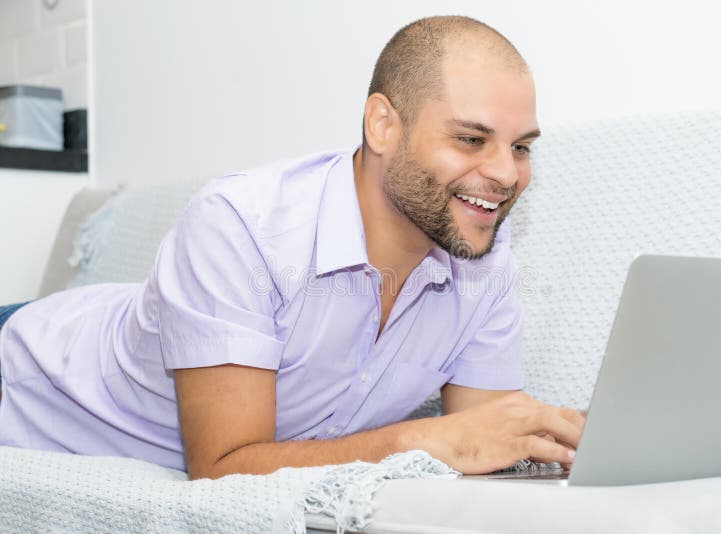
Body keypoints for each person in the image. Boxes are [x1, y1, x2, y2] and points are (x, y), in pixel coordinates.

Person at [0, 15, 584, 480]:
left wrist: (579, 443)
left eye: (522, 148)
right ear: (383, 125)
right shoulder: (240, 226)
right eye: (471, 139)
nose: (507, 175)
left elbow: (483, 433)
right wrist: (419, 440)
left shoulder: (480, 250)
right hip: (32, 370)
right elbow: (223, 468)